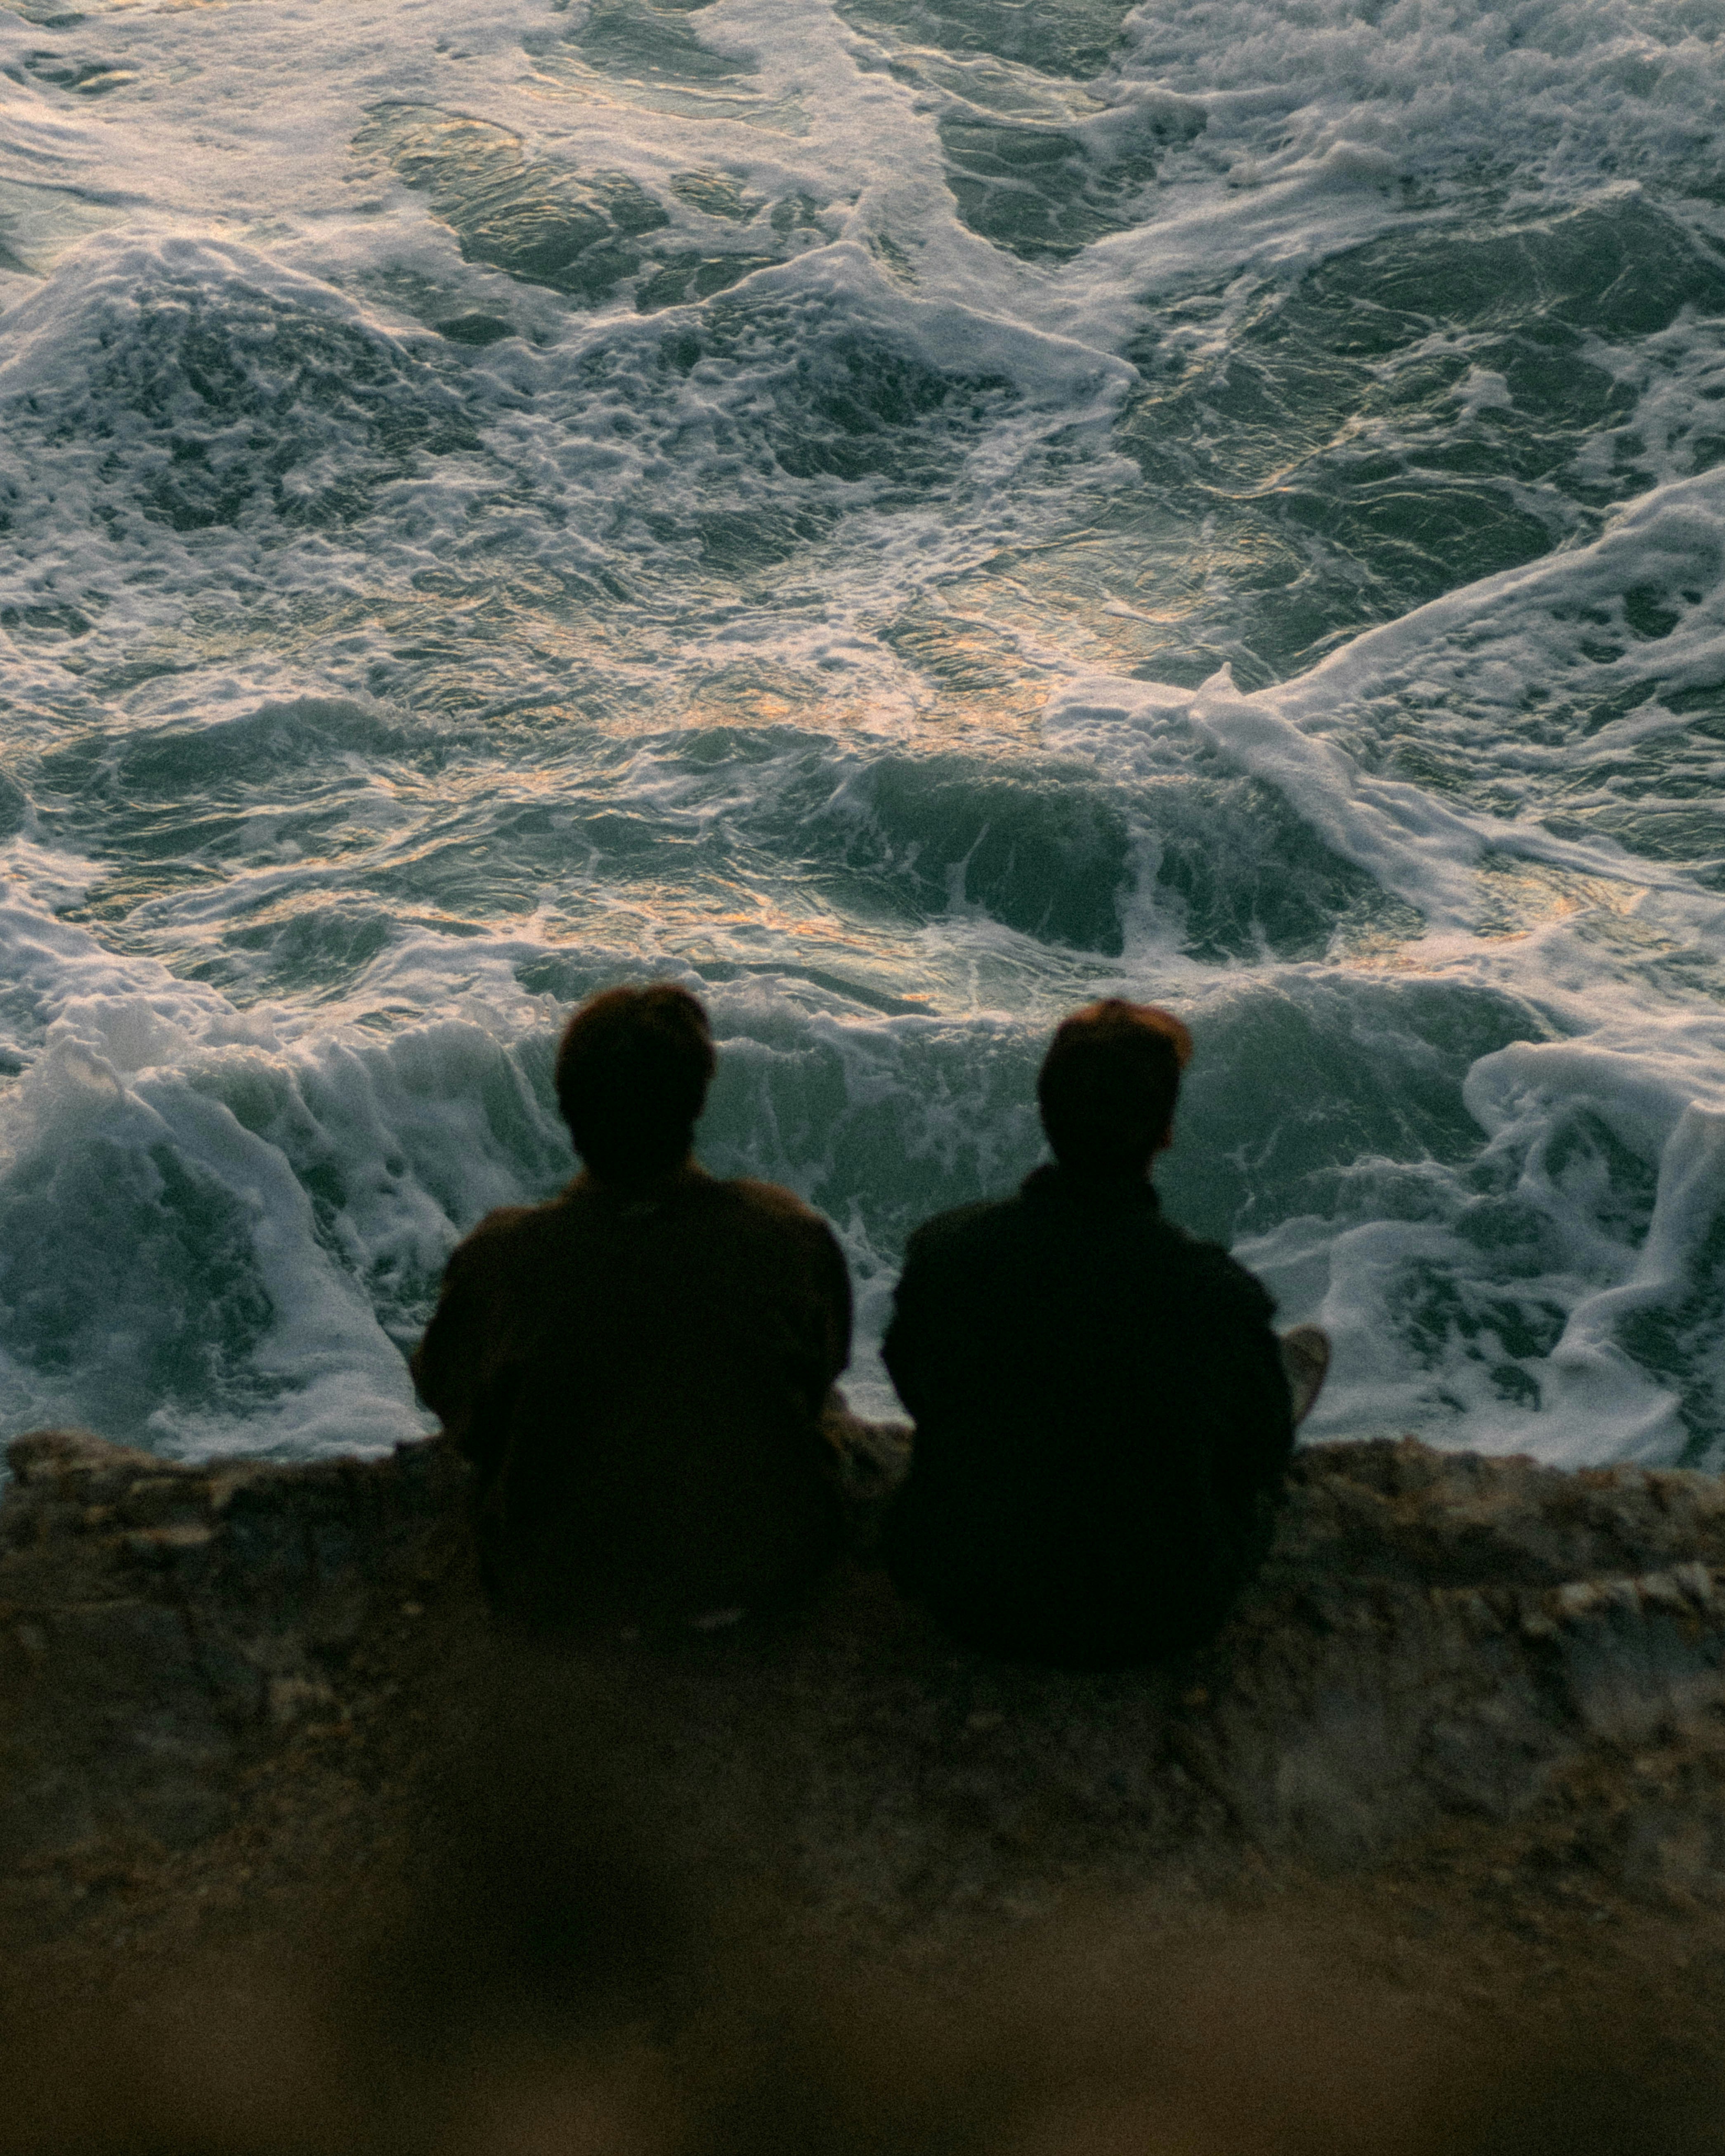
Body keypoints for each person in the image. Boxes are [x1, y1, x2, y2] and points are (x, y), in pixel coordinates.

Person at [880, 999, 1328, 1671]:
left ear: (1045, 1114)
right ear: (1164, 1132)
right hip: (1154, 1614)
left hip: (967, 1593)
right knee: (1250, 1444)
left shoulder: (946, 1253)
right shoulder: (1214, 1294)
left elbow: (912, 1379)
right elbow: (1258, 1458)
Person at [412, 983, 852, 1633]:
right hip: (762, 1572)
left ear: (568, 1108)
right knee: (830, 1407)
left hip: (558, 1586)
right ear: (696, 1101)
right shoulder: (787, 1234)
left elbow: (453, 1399)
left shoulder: (501, 1257)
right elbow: (823, 1367)